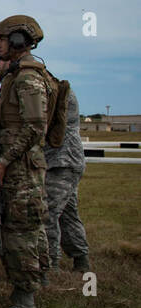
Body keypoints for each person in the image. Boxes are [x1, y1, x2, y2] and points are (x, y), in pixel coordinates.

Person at [0, 15, 55, 308]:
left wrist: (4, 160)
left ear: (17, 41)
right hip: (20, 162)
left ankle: (25, 297)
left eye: (2, 40)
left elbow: (35, 127)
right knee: (29, 224)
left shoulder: (27, 78)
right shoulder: (16, 76)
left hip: (21, 166)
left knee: (22, 227)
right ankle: (37, 279)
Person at [43, 84, 91, 275]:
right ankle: (81, 259)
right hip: (61, 160)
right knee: (67, 212)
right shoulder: (56, 88)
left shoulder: (52, 90)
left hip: (61, 161)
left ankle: (50, 264)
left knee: (47, 212)